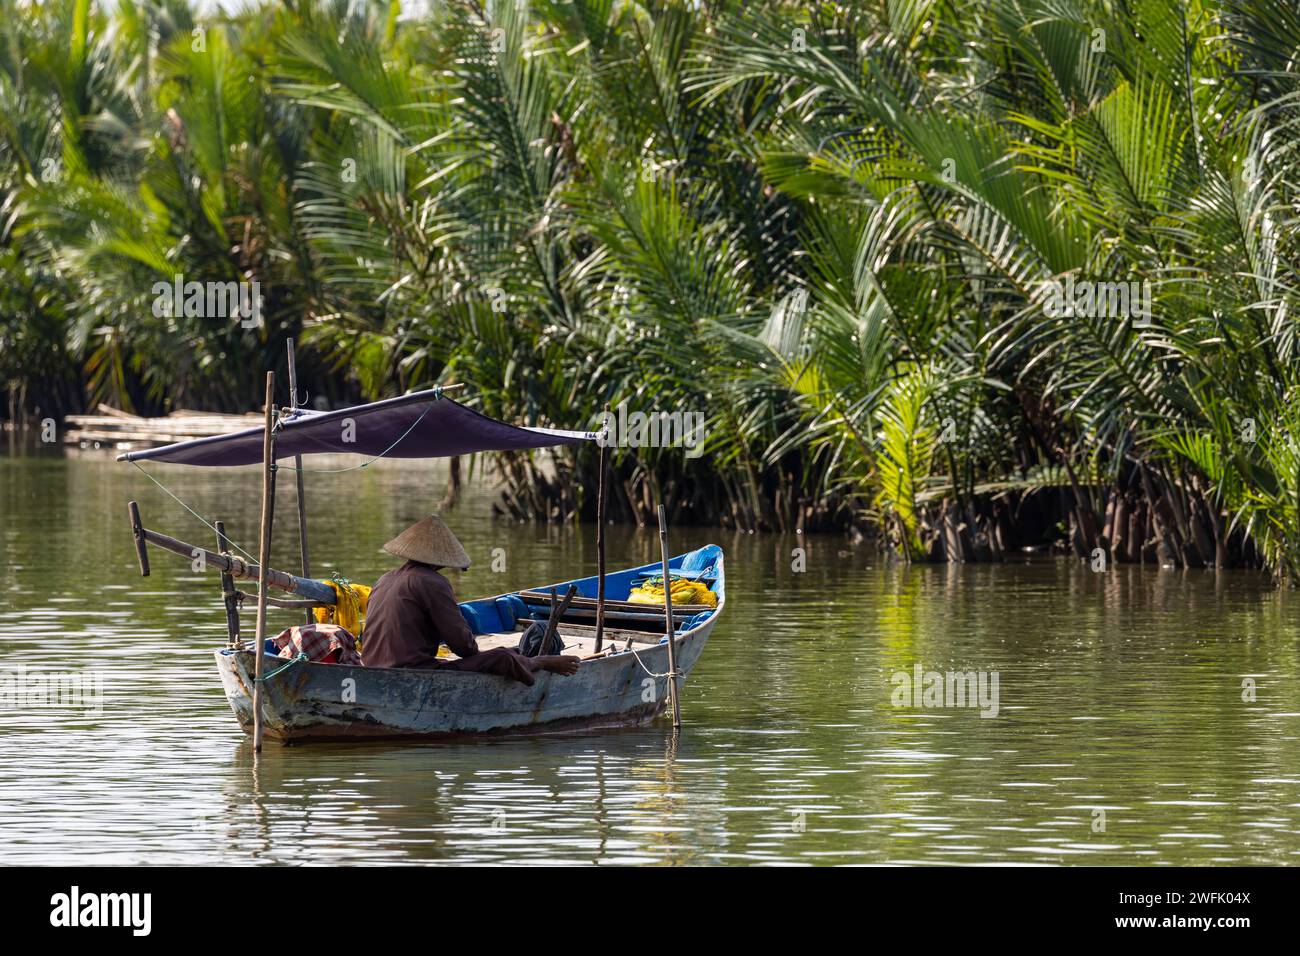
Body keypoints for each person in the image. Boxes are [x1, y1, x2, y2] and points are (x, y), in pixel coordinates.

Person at [362, 516, 580, 685]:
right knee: (503, 656)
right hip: (412, 672)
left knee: (508, 653)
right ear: (443, 561)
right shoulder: (433, 582)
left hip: (371, 669)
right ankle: (538, 661)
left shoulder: (385, 579)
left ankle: (525, 659)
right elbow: (465, 647)